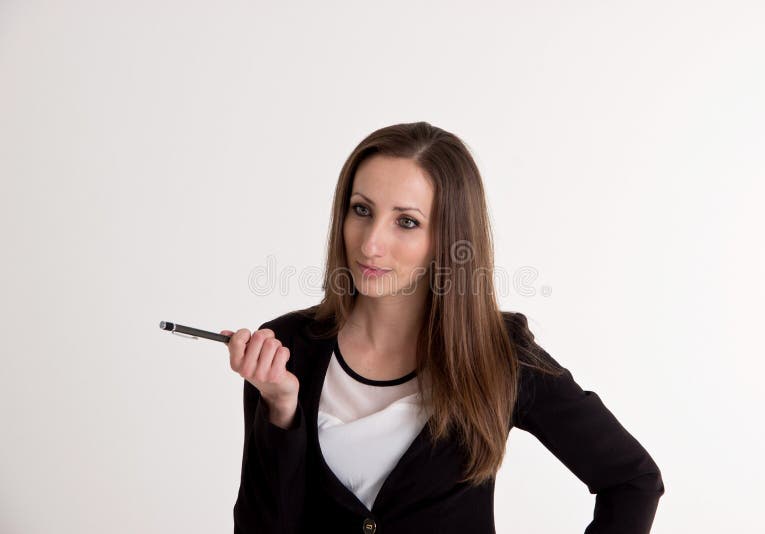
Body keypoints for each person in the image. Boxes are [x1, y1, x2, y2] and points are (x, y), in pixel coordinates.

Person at [224, 122, 665, 533]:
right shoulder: (286, 349)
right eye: (361, 210)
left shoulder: (498, 354)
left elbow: (632, 479)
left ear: (449, 239)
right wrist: (281, 409)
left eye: (407, 221)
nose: (371, 242)